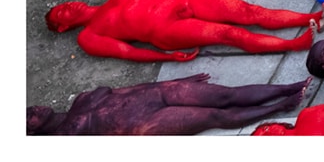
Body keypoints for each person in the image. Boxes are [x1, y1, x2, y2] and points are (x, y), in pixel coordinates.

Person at [47, 0, 324, 60]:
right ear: (63, 27)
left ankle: (311, 17)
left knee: (248, 12)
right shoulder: (88, 36)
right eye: (63, 12)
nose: (68, 6)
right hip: (167, 29)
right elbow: (127, 51)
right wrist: (167, 57)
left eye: (64, 3)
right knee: (231, 35)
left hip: (182, 3)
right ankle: (294, 45)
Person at [27, 76, 307, 135]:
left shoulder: (81, 98)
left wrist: (178, 81)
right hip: (144, 125)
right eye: (29, 118)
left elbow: (127, 89)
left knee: (225, 95)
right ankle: (280, 106)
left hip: (154, 94)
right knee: (213, 116)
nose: (34, 110)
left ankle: (289, 87)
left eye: (30, 108)